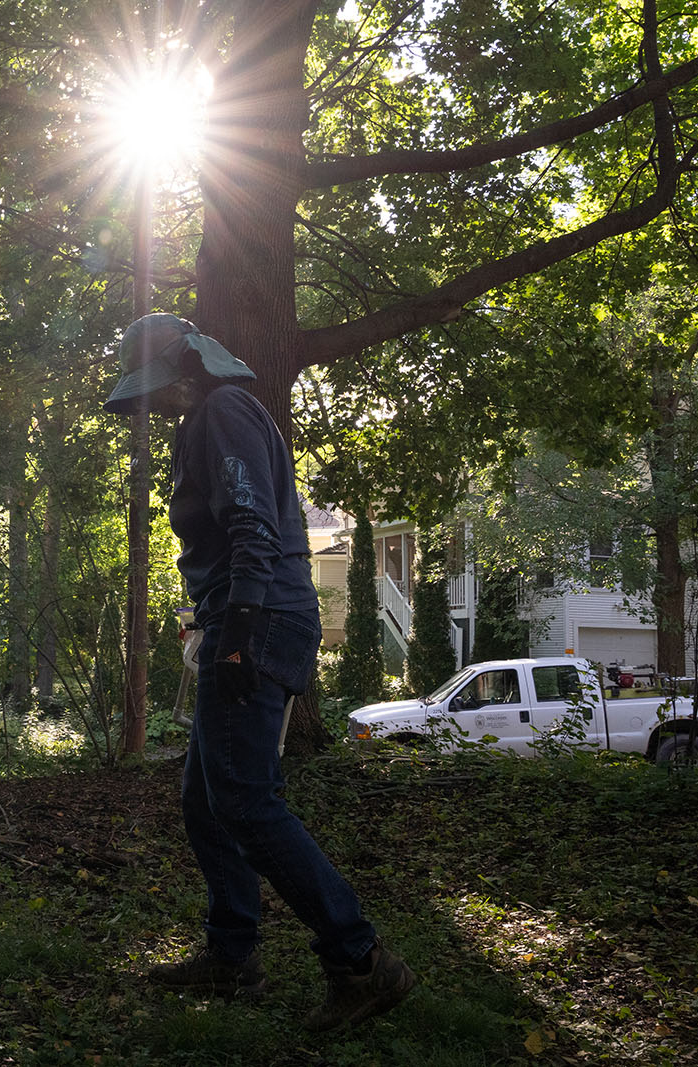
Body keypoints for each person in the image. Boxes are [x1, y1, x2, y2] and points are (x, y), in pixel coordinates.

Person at [102, 313, 416, 1031]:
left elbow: (252, 523)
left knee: (245, 799)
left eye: (158, 389)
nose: (152, 407)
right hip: (242, 613)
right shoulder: (208, 420)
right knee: (207, 800)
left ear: (189, 368)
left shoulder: (223, 409)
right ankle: (232, 952)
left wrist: (239, 627)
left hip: (259, 618)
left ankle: (361, 960)